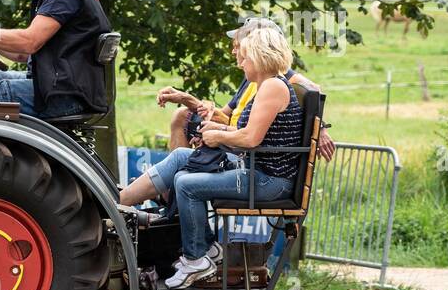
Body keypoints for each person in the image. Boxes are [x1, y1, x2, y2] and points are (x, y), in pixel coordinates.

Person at [119, 17, 332, 209]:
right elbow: (226, 115)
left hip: (251, 157)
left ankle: (151, 201)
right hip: (239, 145)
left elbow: (313, 91)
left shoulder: (279, 78)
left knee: (184, 174)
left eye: (239, 44)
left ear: (257, 44)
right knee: (181, 122)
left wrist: (319, 128)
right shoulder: (252, 78)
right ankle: (128, 201)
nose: (235, 51)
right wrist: (190, 102)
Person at [165, 24, 306, 288]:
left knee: (186, 184)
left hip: (269, 182)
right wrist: (219, 128)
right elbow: (248, 131)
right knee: (183, 173)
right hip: (260, 174)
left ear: (261, 56)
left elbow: (251, 138)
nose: (241, 63)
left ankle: (196, 259)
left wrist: (218, 136)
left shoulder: (273, 87)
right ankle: (206, 249)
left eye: (246, 56)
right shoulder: (267, 85)